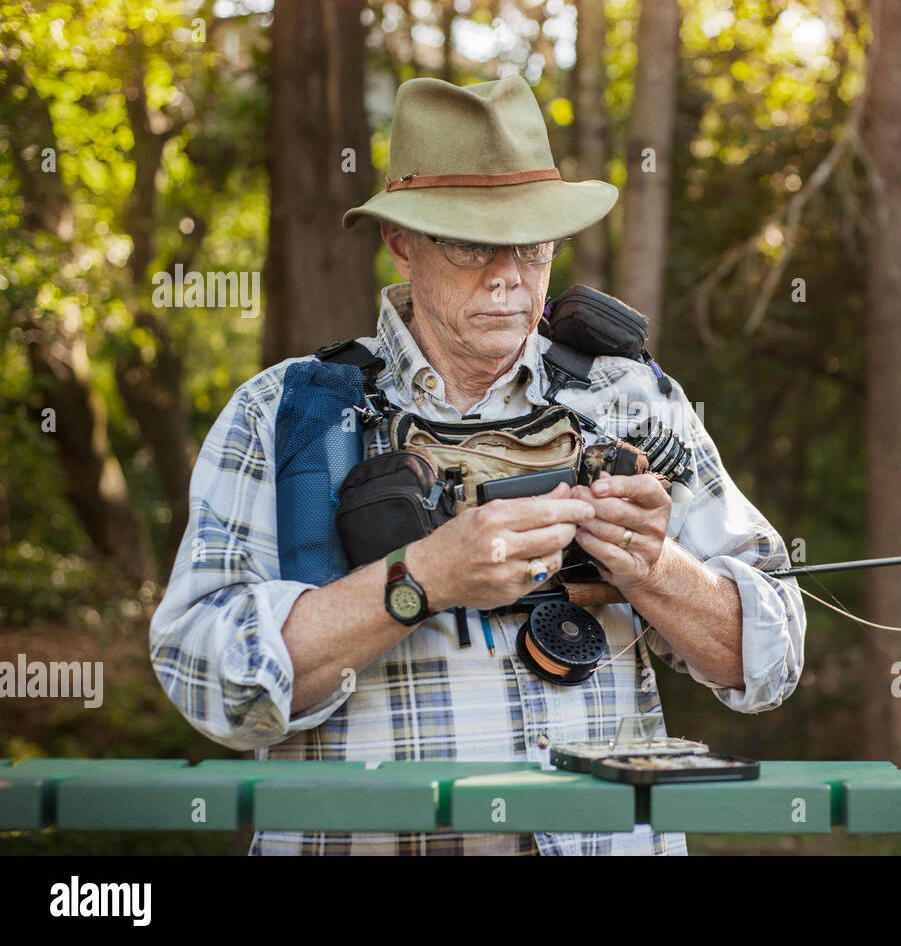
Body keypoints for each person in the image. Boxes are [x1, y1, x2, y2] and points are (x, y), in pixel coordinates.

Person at [149, 75, 806, 855]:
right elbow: (206, 677)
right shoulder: (283, 412)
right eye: (470, 245)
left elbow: (770, 660)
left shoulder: (635, 397)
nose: (507, 275)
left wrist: (649, 565)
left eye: (531, 244)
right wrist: (417, 581)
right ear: (402, 243)